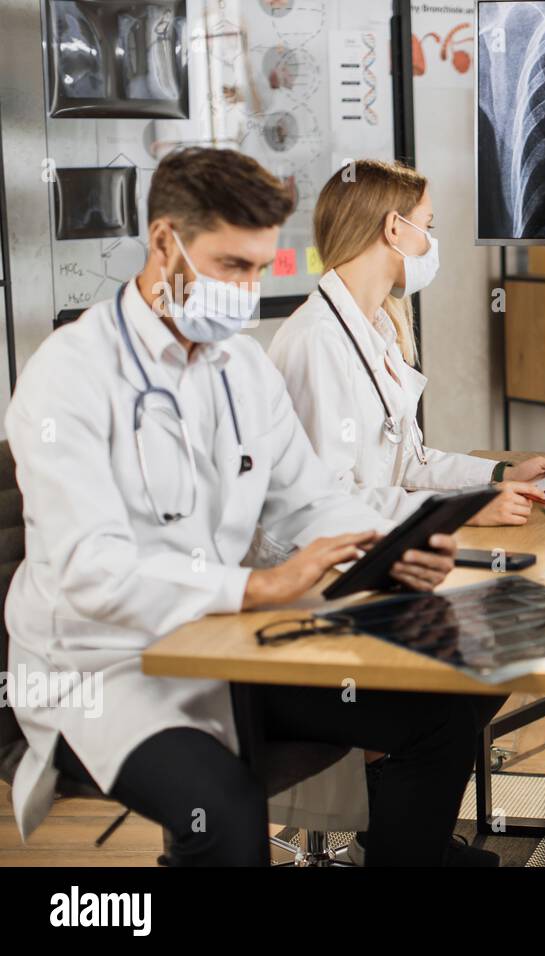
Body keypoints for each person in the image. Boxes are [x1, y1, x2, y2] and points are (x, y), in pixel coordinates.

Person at [4, 147, 502, 866]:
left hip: (229, 647)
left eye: (262, 268)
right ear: (165, 242)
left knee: (444, 711)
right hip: (106, 665)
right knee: (223, 815)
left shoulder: (241, 367)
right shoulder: (70, 375)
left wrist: (397, 542)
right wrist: (257, 588)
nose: (247, 290)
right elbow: (91, 570)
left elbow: (311, 501)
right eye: (233, 267)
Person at [268, 158, 545, 529]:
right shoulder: (317, 339)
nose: (430, 241)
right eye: (428, 225)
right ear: (394, 227)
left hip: (370, 539)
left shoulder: (376, 329)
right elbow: (328, 497)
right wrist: (463, 511)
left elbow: (407, 462)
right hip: (315, 560)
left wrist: (503, 473)